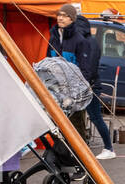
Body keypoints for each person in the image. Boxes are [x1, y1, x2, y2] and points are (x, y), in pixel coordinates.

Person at [48, 3, 115, 160]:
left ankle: (108, 148)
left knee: (93, 117)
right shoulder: (61, 38)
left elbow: (88, 68)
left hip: (88, 86)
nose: (60, 18)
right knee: (90, 117)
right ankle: (80, 150)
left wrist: (83, 87)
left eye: (65, 16)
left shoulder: (85, 42)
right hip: (77, 87)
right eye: (60, 15)